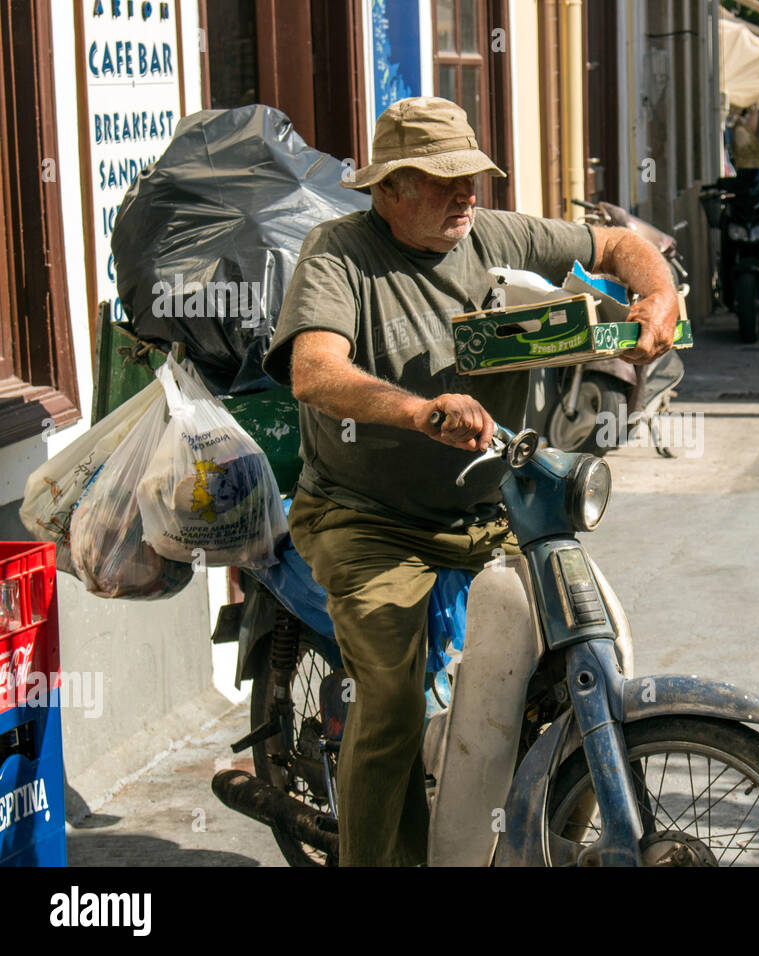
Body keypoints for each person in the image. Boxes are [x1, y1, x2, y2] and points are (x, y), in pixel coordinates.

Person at [261, 97, 679, 866]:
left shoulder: (498, 234)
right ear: (389, 190)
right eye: (443, 180)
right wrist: (422, 411)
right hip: (368, 518)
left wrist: (658, 295)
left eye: (472, 177)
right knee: (387, 698)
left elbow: (622, 242)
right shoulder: (339, 252)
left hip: (493, 506)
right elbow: (313, 373)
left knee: (566, 662)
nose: (467, 195)